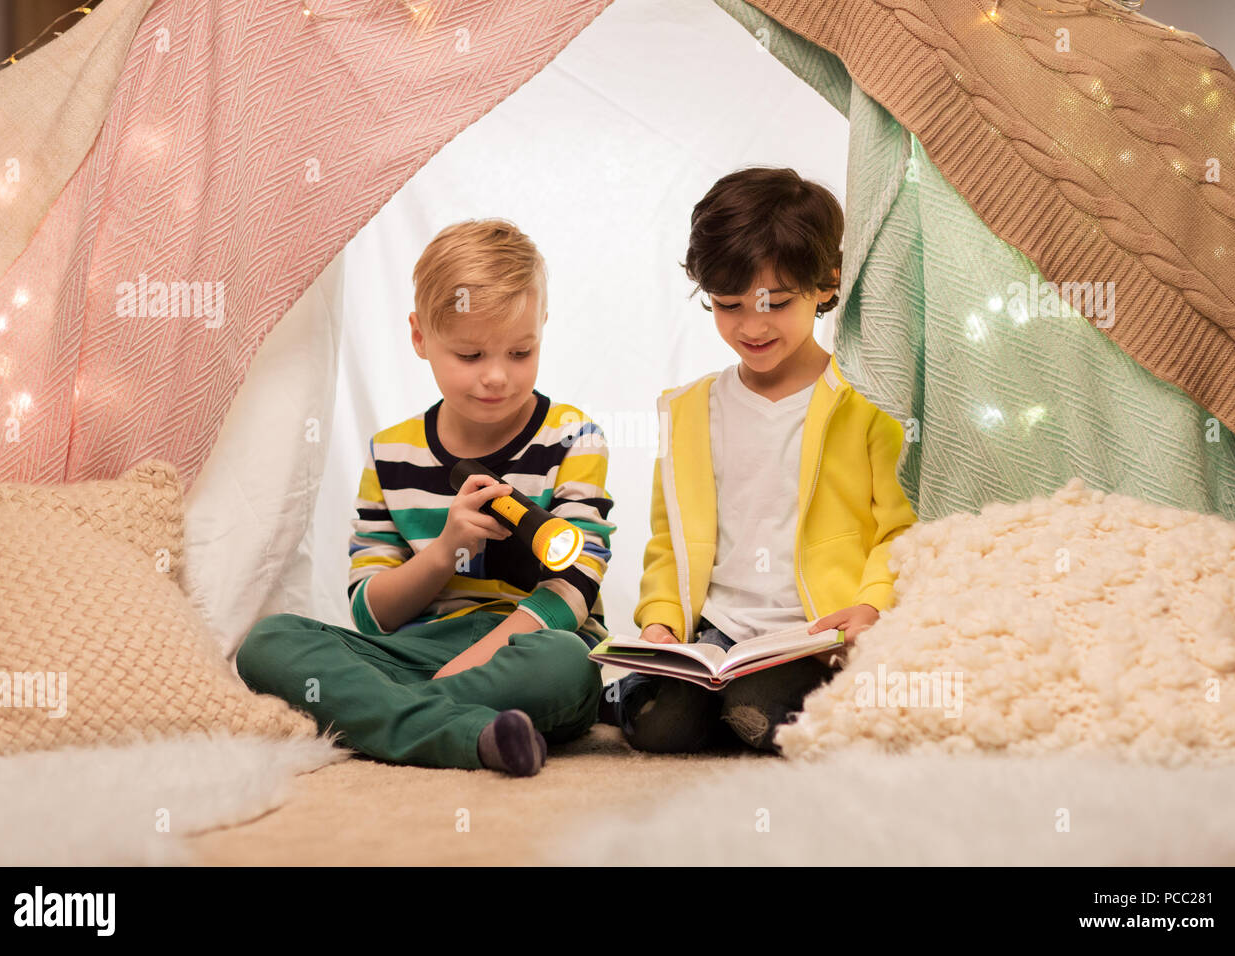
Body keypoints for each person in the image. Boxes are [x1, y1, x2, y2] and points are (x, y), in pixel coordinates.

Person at [237, 219, 615, 776]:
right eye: (470, 355)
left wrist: (456, 671)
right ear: (420, 337)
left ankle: (392, 716)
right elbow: (371, 614)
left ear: (543, 330)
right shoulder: (392, 453)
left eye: (520, 352)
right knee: (267, 642)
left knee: (566, 666)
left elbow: (573, 587)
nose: (496, 377)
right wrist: (443, 551)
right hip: (420, 650)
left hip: (526, 643)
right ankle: (470, 733)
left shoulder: (574, 438)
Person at [601, 167, 916, 754]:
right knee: (659, 728)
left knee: (759, 715)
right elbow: (670, 540)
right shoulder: (689, 410)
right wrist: (662, 620)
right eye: (729, 304)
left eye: (775, 302)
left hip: (813, 634)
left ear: (826, 283)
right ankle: (643, 693)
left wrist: (871, 605)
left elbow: (898, 528)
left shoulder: (867, 402)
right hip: (716, 637)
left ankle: (746, 703)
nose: (751, 325)